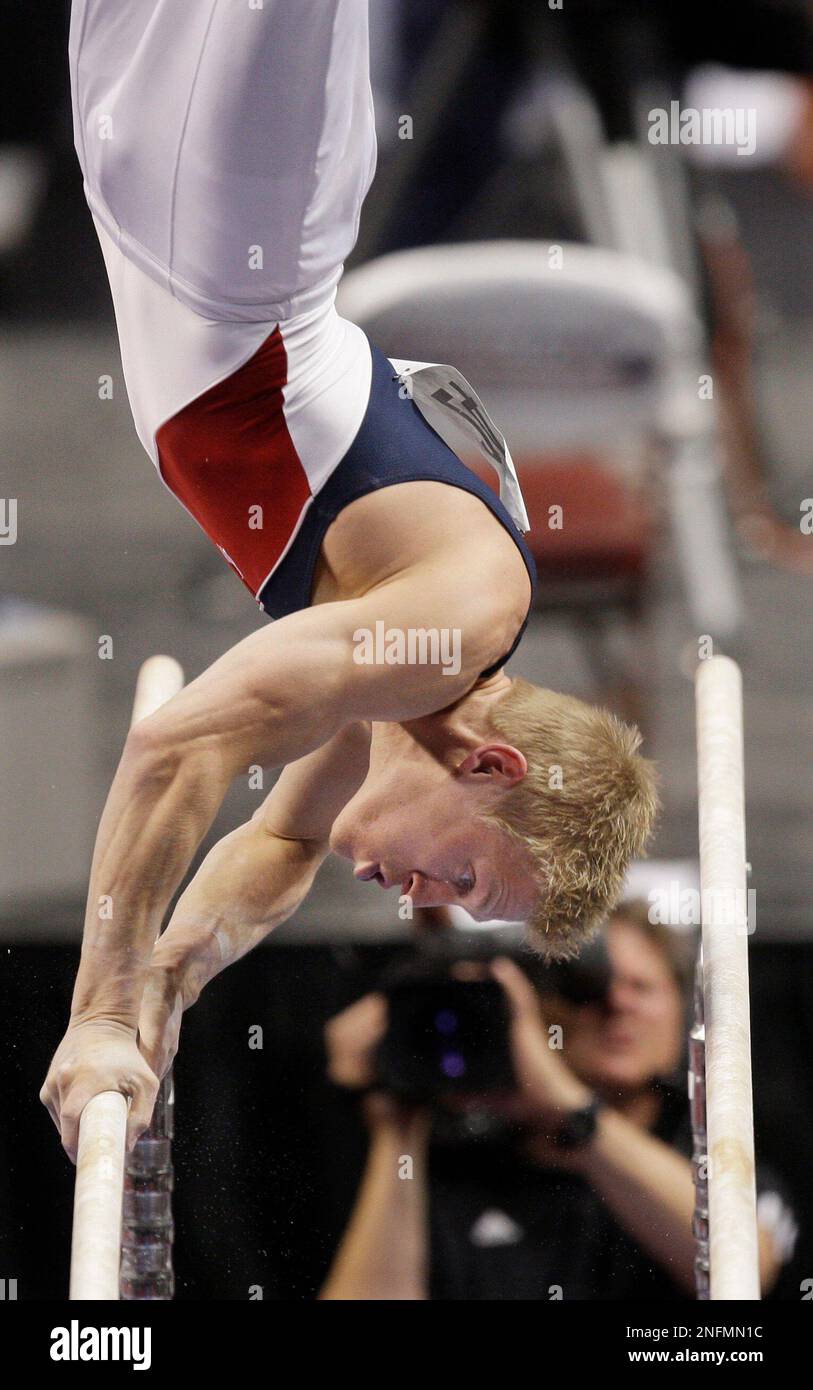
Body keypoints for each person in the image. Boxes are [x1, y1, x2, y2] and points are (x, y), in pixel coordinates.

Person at [40, 1, 657, 1161]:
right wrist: (103, 1009)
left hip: (161, 225)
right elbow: (179, 746)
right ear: (492, 765)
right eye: (468, 875)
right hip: (236, 244)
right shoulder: (444, 633)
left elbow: (281, 846)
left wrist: (174, 976)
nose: (419, 894)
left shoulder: (418, 686)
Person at [318, 902, 797, 1300]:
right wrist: (397, 1126)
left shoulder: (713, 1145)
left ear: (684, 1014)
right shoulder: (465, 1162)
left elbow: (743, 1270)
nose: (617, 1004)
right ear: (535, 1007)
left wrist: (569, 1106)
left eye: (642, 987)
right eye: (589, 987)